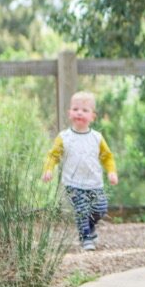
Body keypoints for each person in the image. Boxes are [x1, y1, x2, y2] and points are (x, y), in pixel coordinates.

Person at [42, 90, 118, 252]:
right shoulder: (64, 137)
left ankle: (90, 228)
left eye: (85, 110)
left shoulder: (97, 137)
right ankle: (86, 238)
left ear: (92, 116)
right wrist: (49, 169)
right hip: (73, 183)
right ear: (69, 113)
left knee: (100, 209)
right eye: (76, 109)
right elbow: (53, 155)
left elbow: (107, 157)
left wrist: (111, 172)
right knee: (82, 210)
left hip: (94, 182)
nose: (79, 113)